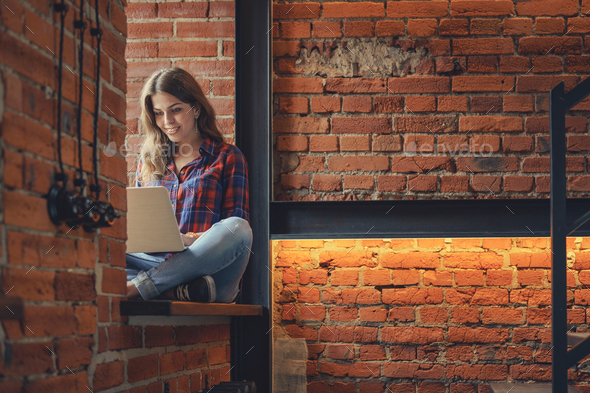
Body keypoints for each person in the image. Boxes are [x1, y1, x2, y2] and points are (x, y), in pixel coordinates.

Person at [125, 67, 252, 303]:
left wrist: (190, 240)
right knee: (104, 246)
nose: (167, 121)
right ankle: (175, 290)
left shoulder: (227, 157)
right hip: (157, 263)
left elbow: (232, 233)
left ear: (196, 108)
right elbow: (140, 230)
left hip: (209, 272)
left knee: (240, 228)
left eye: (176, 110)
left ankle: (142, 288)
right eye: (158, 113)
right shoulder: (148, 161)